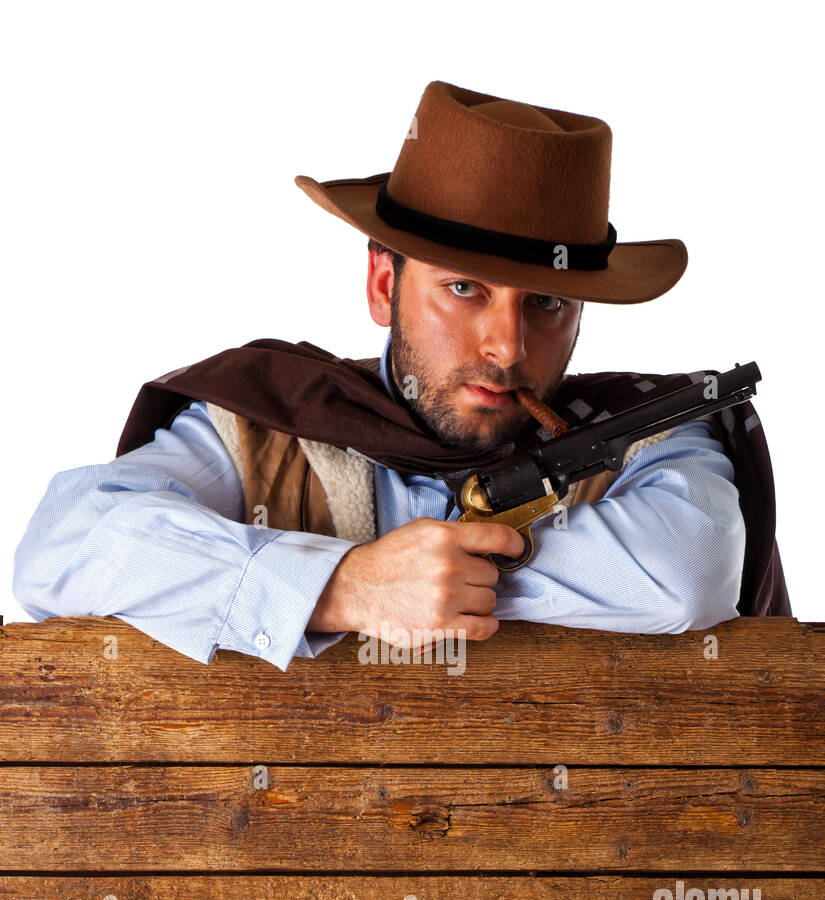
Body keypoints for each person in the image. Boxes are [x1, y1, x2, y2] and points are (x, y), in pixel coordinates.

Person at [13, 81, 790, 673]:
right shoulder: (267, 422)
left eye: (547, 303)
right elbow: (65, 547)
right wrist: (341, 585)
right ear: (384, 286)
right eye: (464, 288)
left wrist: (429, 580)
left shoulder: (644, 431)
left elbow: (687, 573)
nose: (505, 345)